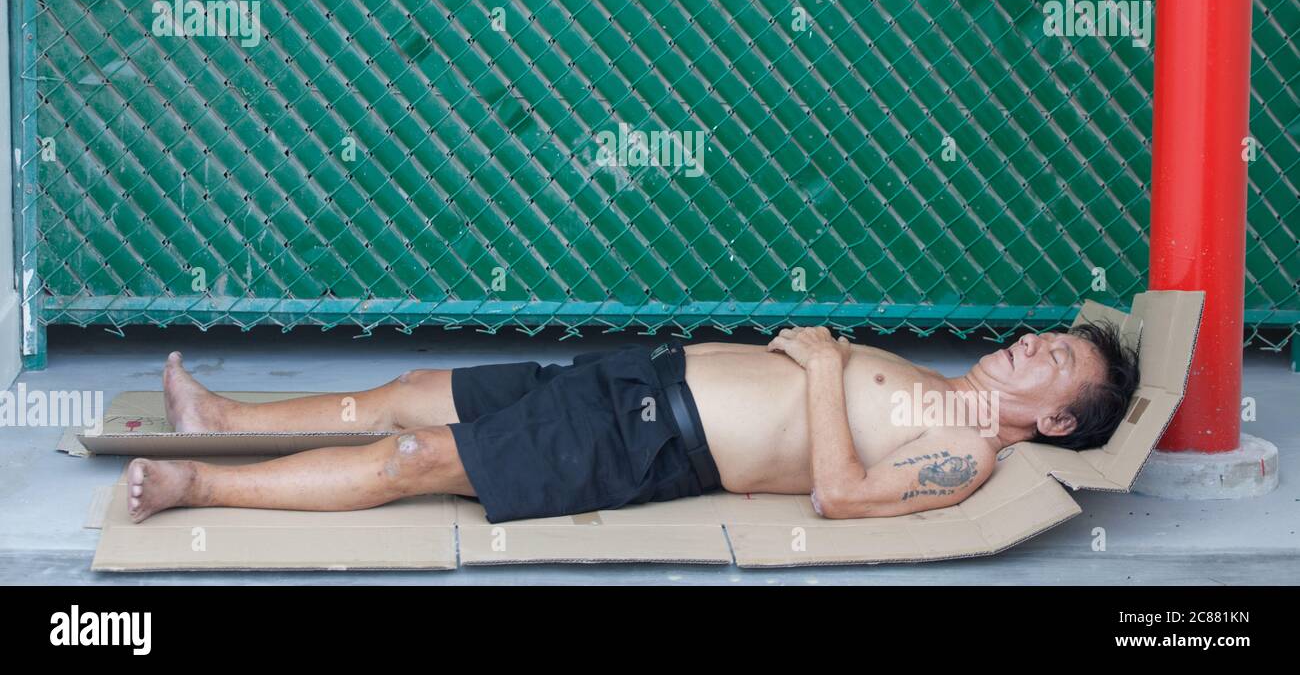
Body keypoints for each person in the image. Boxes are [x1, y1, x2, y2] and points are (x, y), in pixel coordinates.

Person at [125, 321, 1138, 523]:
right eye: (1046, 331)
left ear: (1052, 419)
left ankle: (199, 482)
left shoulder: (964, 444)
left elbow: (839, 492)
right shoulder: (938, 381)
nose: (1031, 338)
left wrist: (824, 364)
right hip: (639, 379)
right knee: (410, 386)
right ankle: (218, 415)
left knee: (411, 456)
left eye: (1053, 356)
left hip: (650, 441)